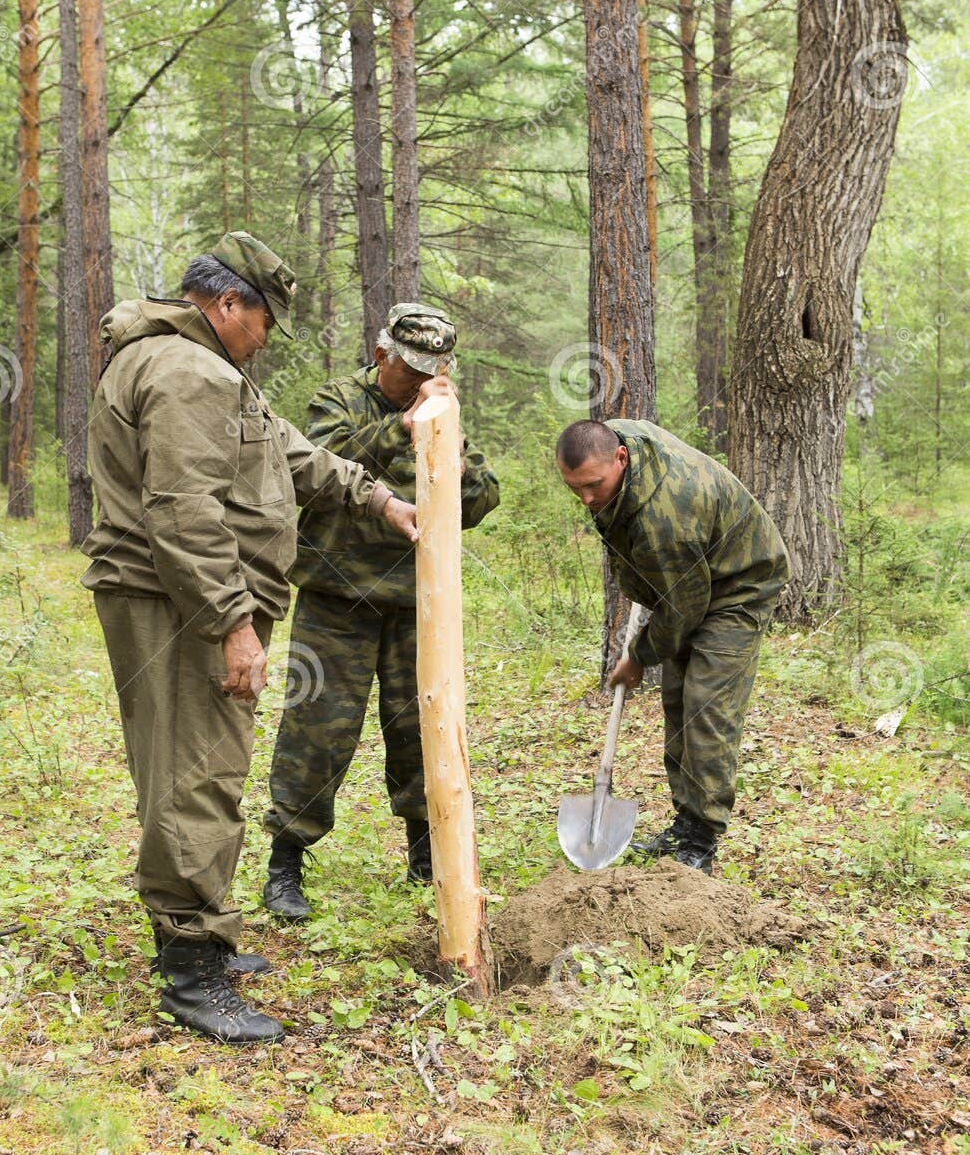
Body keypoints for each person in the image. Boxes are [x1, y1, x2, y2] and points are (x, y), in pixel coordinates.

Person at [82, 232, 418, 1043]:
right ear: (227, 304)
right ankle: (191, 971)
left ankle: (205, 940)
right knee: (197, 777)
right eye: (264, 319)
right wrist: (233, 624)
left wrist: (378, 499)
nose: (266, 337)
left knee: (197, 771)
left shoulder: (210, 372)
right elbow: (183, 510)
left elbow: (291, 457)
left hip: (186, 601)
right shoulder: (184, 371)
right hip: (179, 606)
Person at [262, 303, 500, 921]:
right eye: (412, 370)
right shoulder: (337, 401)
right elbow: (319, 469)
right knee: (317, 730)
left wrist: (444, 438)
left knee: (419, 732)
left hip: (413, 604)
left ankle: (426, 857)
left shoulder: (439, 412)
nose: (422, 383)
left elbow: (481, 495)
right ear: (381, 356)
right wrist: (402, 428)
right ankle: (286, 862)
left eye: (435, 371)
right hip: (335, 601)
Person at [555, 418, 789, 873]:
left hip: (740, 582)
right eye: (574, 487)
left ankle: (701, 837)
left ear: (621, 459)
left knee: (706, 705)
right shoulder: (616, 440)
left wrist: (638, 657)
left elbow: (683, 608)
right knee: (679, 698)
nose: (586, 498)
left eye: (593, 485)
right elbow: (676, 596)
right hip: (694, 574)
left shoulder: (667, 520)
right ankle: (685, 822)